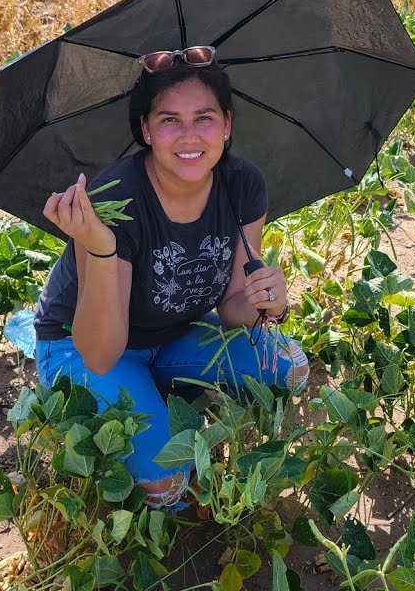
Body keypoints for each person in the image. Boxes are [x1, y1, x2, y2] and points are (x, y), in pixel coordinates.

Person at [15, 47, 309, 511]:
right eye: (170, 119)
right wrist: (100, 247)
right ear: (146, 130)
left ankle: (156, 387)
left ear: (227, 126)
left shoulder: (242, 184)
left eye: (205, 118)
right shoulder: (112, 201)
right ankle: (90, 383)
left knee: (288, 367)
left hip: (171, 335)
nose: (189, 136)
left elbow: (233, 309)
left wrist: (263, 301)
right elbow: (102, 352)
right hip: (86, 347)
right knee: (169, 486)